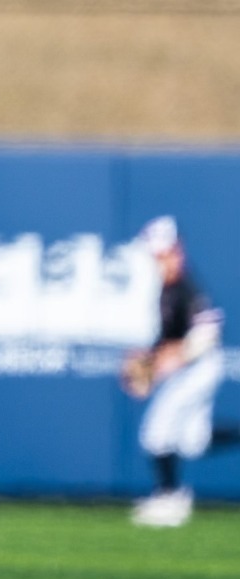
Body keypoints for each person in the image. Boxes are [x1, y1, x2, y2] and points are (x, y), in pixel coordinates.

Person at [121, 215, 235, 527]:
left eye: (163, 253)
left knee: (155, 433)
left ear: (177, 250)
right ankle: (172, 497)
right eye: (155, 254)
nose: (159, 259)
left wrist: (171, 358)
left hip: (199, 369)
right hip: (191, 370)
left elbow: (208, 330)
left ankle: (170, 498)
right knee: (193, 442)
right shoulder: (167, 288)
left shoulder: (185, 286)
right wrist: (152, 360)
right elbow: (166, 340)